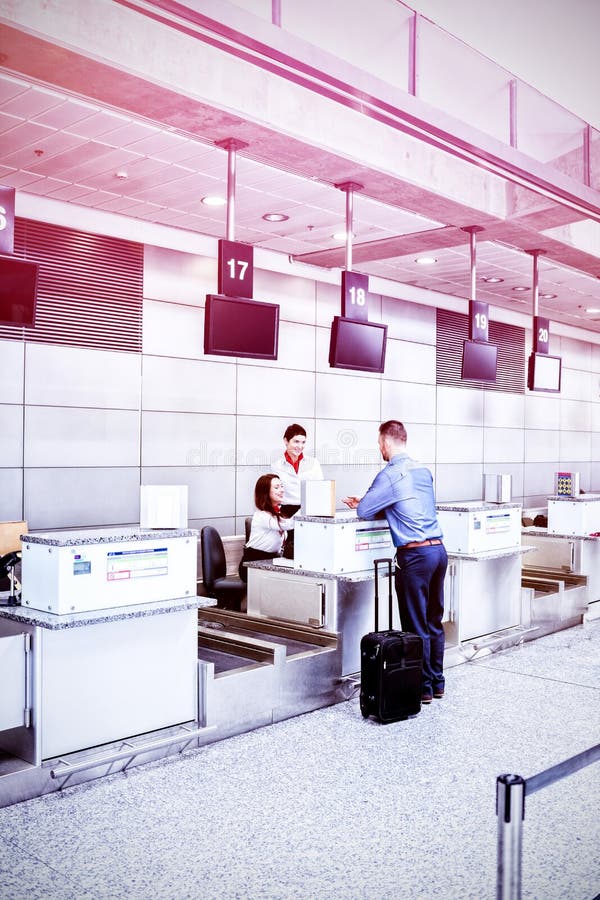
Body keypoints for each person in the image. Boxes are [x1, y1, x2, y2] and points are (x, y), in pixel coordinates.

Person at [342, 420, 447, 704]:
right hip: (438, 552)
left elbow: (364, 510)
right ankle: (437, 682)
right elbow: (407, 505)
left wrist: (364, 502)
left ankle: (422, 688)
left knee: (415, 624)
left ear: (387, 442)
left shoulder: (389, 474)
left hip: (415, 556)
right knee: (434, 621)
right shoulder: (423, 471)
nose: (380, 449)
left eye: (379, 444)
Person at [272, 423, 323, 558]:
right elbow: (274, 493)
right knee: (290, 554)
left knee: (310, 552)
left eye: (303, 442)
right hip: (286, 513)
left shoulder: (313, 463)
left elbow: (319, 491)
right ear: (286, 441)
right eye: (296, 441)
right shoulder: (276, 466)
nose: (300, 446)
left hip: (309, 511)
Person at [238, 474, 295, 583]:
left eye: (282, 486)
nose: (282, 490)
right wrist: (306, 507)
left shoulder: (278, 514)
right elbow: (287, 525)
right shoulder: (262, 515)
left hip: (269, 562)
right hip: (252, 564)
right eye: (276, 487)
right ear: (266, 492)